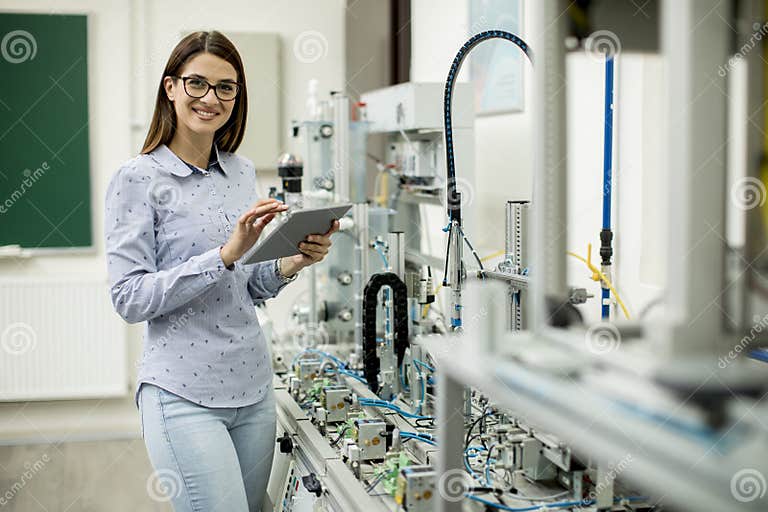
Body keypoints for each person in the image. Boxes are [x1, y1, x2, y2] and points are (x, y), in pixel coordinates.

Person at [104, 31, 337, 511]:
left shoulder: (241, 172)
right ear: (170, 87)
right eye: (197, 84)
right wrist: (223, 255)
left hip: (253, 393)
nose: (211, 98)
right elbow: (129, 298)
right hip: (183, 395)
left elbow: (248, 284)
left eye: (226, 87)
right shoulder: (138, 178)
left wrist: (292, 262)